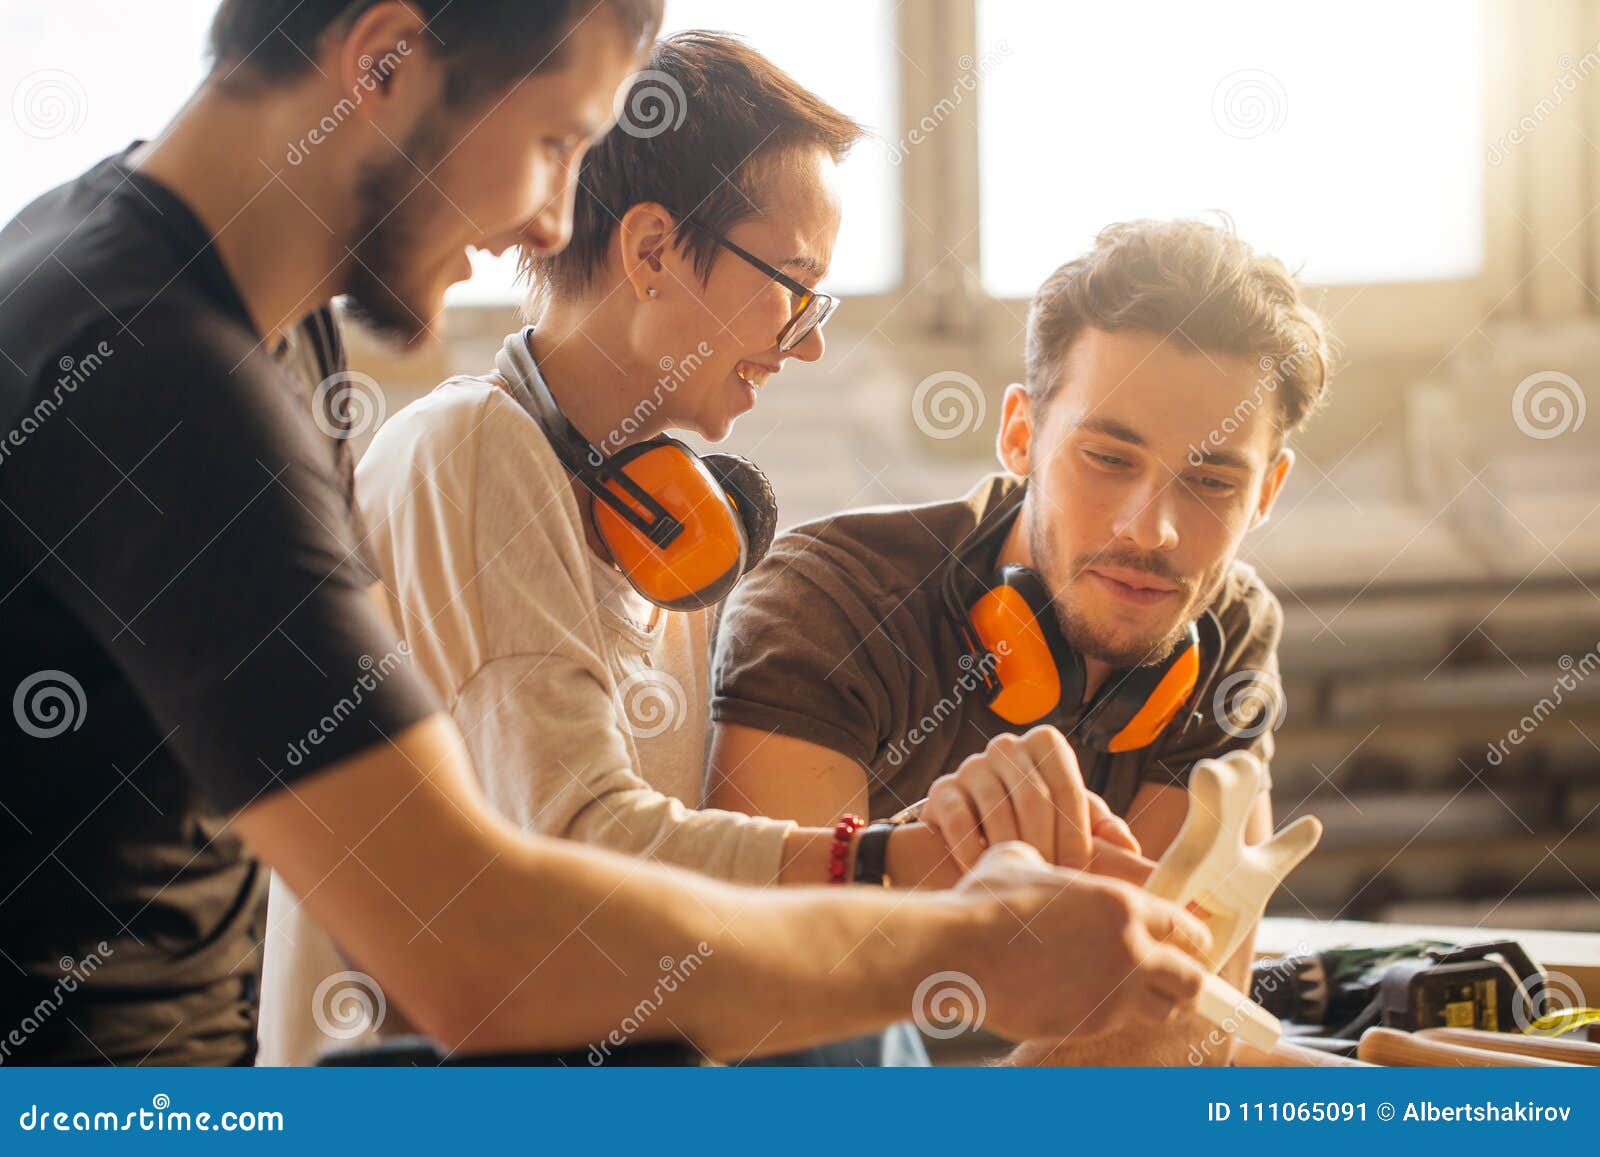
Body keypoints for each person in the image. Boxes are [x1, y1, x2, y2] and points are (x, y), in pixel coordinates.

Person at [0, 1, 1211, 1067]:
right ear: (379, 65)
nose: (547, 220)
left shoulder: (234, 325)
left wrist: (917, 880)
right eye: (552, 144)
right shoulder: (153, 371)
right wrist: (960, 933)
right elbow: (477, 948)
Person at [709, 218, 1333, 1064]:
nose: (1152, 531)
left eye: (1214, 481)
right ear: (1020, 433)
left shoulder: (1224, 627)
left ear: (1268, 493)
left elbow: (1164, 1034)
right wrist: (930, 864)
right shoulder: (831, 604)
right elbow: (761, 1006)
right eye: (1109, 458)